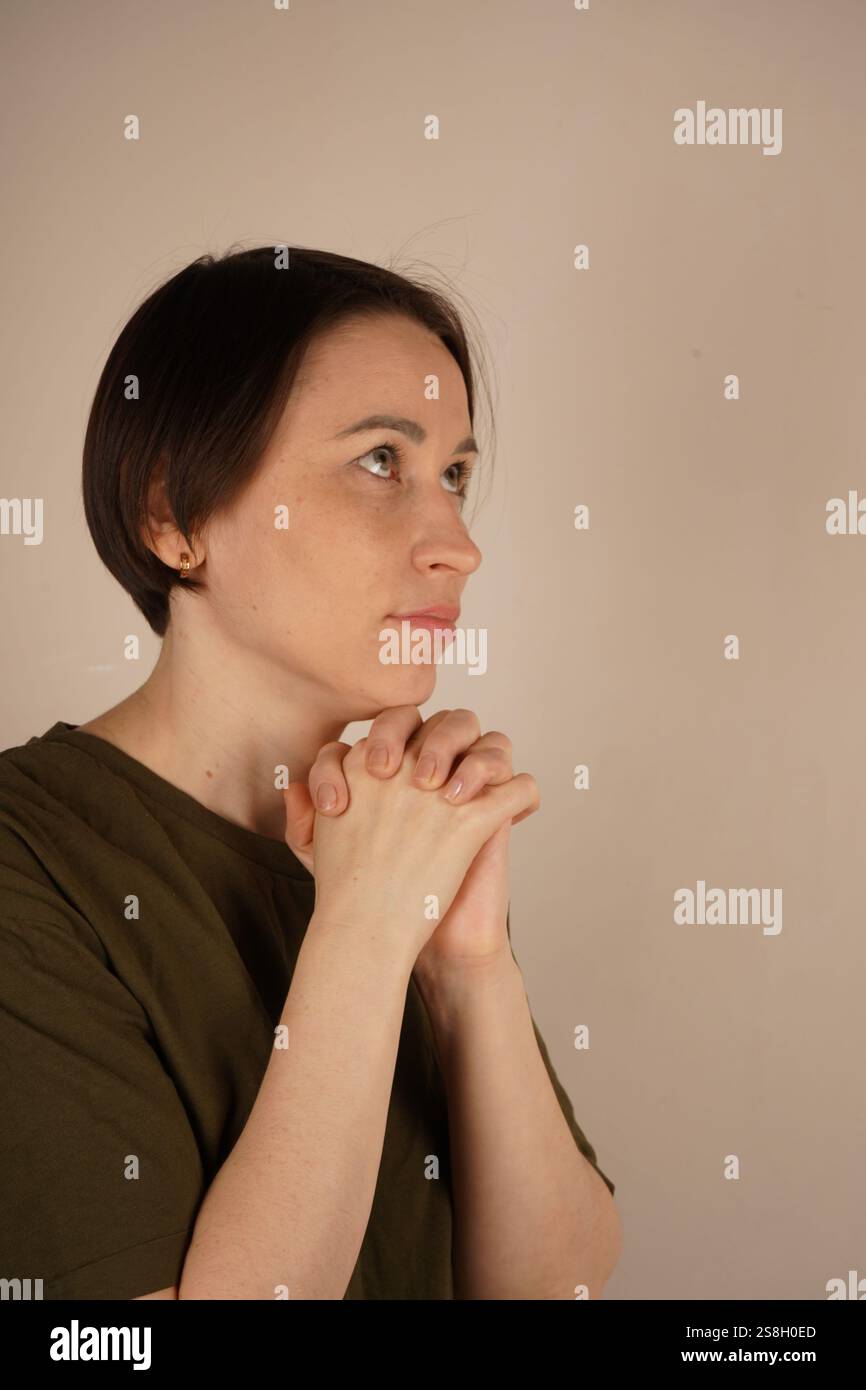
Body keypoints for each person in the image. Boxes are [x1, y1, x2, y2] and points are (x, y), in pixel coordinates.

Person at [0, 245, 621, 1300]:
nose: (457, 545)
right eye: (381, 459)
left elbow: (552, 1291)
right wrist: (368, 931)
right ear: (173, 516)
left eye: (455, 475)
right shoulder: (32, 861)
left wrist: (466, 970)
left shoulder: (397, 821)